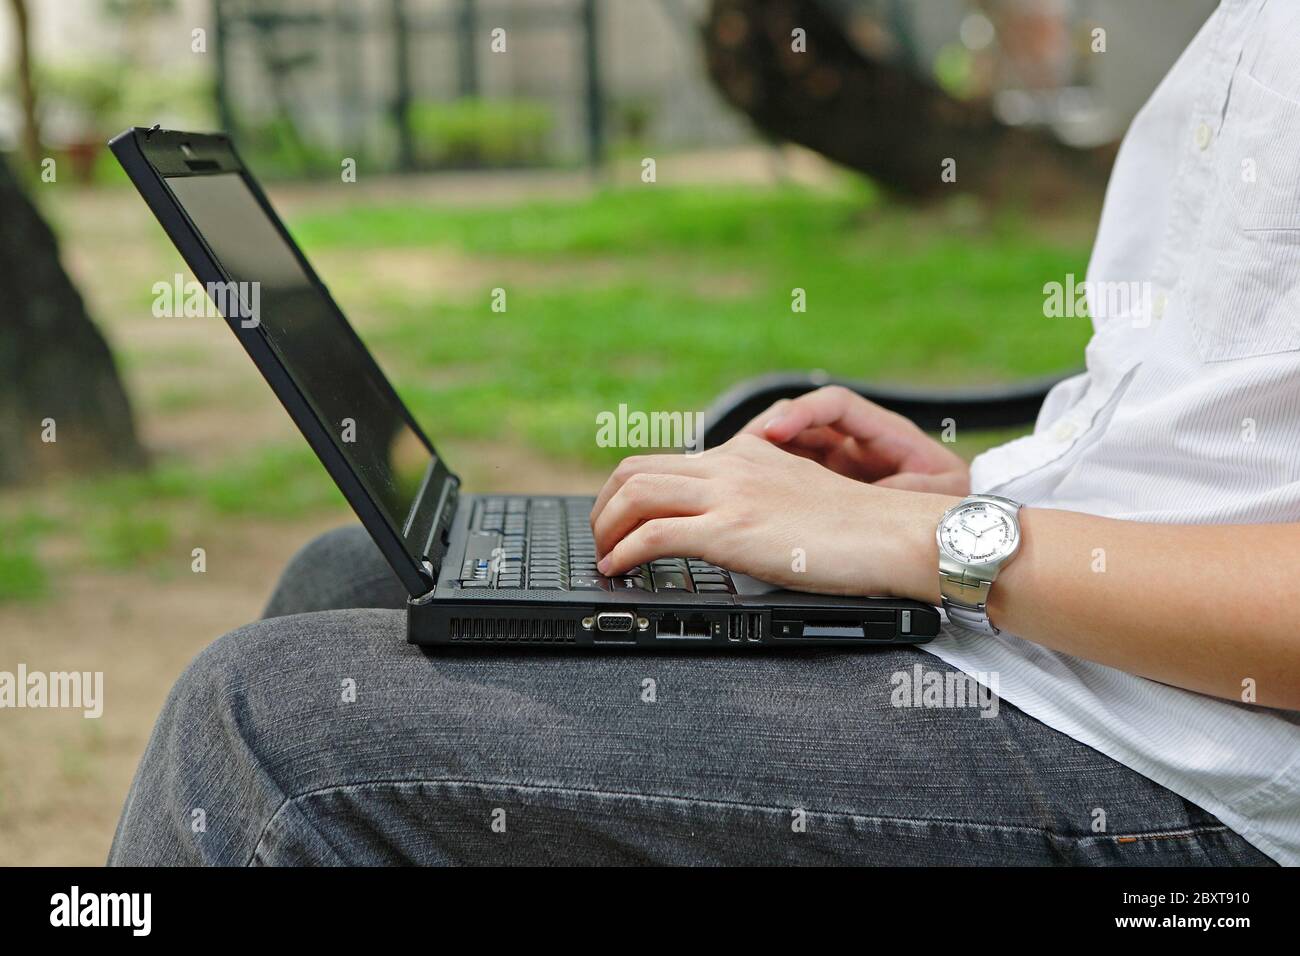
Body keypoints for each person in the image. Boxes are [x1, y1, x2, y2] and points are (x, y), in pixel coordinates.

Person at [109, 0, 1298, 866]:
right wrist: (998, 478)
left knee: (262, 728)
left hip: (1182, 767)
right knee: (354, 569)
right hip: (1081, 631)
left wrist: (936, 536)